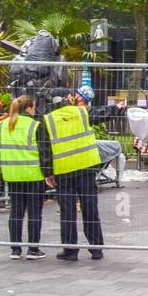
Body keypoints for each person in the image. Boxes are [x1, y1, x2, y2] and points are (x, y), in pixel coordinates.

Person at [44, 88, 104, 261]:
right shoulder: (82, 112)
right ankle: (96, 248)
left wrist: (48, 172)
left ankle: (70, 250)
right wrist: (120, 109)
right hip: (86, 168)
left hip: (64, 172)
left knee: (67, 212)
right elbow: (102, 114)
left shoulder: (48, 120)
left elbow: (45, 149)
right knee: (90, 208)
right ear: (68, 97)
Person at [0, 95, 51, 260]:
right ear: (29, 108)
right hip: (32, 174)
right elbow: (44, 152)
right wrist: (49, 173)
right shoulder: (35, 125)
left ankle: (15, 249)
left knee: (15, 213)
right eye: (34, 107)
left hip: (12, 174)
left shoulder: (2, 125)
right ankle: (33, 249)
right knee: (34, 213)